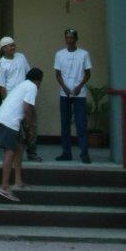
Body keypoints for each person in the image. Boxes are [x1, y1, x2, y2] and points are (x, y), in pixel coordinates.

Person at [0, 67, 43, 202]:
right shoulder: (32, 86)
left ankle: (18, 181)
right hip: (9, 121)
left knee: (19, 147)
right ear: (39, 81)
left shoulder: (23, 85)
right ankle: (4, 187)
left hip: (5, 118)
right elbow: (27, 109)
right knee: (10, 151)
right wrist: (31, 128)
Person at [0, 35, 42, 162]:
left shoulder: (21, 57)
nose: (13, 47)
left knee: (31, 124)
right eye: (10, 45)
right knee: (14, 128)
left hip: (25, 98)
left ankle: (32, 153)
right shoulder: (1, 64)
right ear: (3, 48)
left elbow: (29, 74)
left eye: (14, 45)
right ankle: (12, 153)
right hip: (12, 102)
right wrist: (5, 102)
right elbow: (1, 86)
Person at [54, 28, 93, 163]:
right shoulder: (59, 54)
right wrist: (64, 87)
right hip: (64, 94)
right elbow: (58, 75)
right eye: (67, 38)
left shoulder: (84, 54)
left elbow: (88, 73)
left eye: (71, 38)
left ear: (76, 39)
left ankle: (84, 153)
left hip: (79, 94)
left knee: (81, 123)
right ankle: (66, 152)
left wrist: (79, 87)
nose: (69, 40)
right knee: (65, 124)